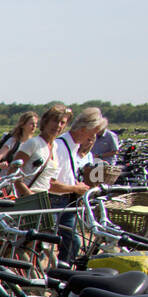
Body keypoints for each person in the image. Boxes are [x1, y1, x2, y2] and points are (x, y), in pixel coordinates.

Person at [50, 108, 103, 262]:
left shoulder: (74, 148)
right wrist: (75, 188)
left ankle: (61, 273)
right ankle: (59, 275)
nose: (92, 138)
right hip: (55, 201)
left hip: (67, 201)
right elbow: (50, 183)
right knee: (67, 241)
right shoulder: (60, 146)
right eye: (91, 133)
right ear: (82, 130)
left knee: (72, 242)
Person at [12, 104, 71, 197]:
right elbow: (13, 173)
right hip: (29, 200)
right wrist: (29, 195)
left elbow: (49, 182)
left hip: (44, 198)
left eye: (62, 123)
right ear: (45, 121)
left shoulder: (55, 146)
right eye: (55, 121)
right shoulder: (33, 143)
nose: (58, 125)